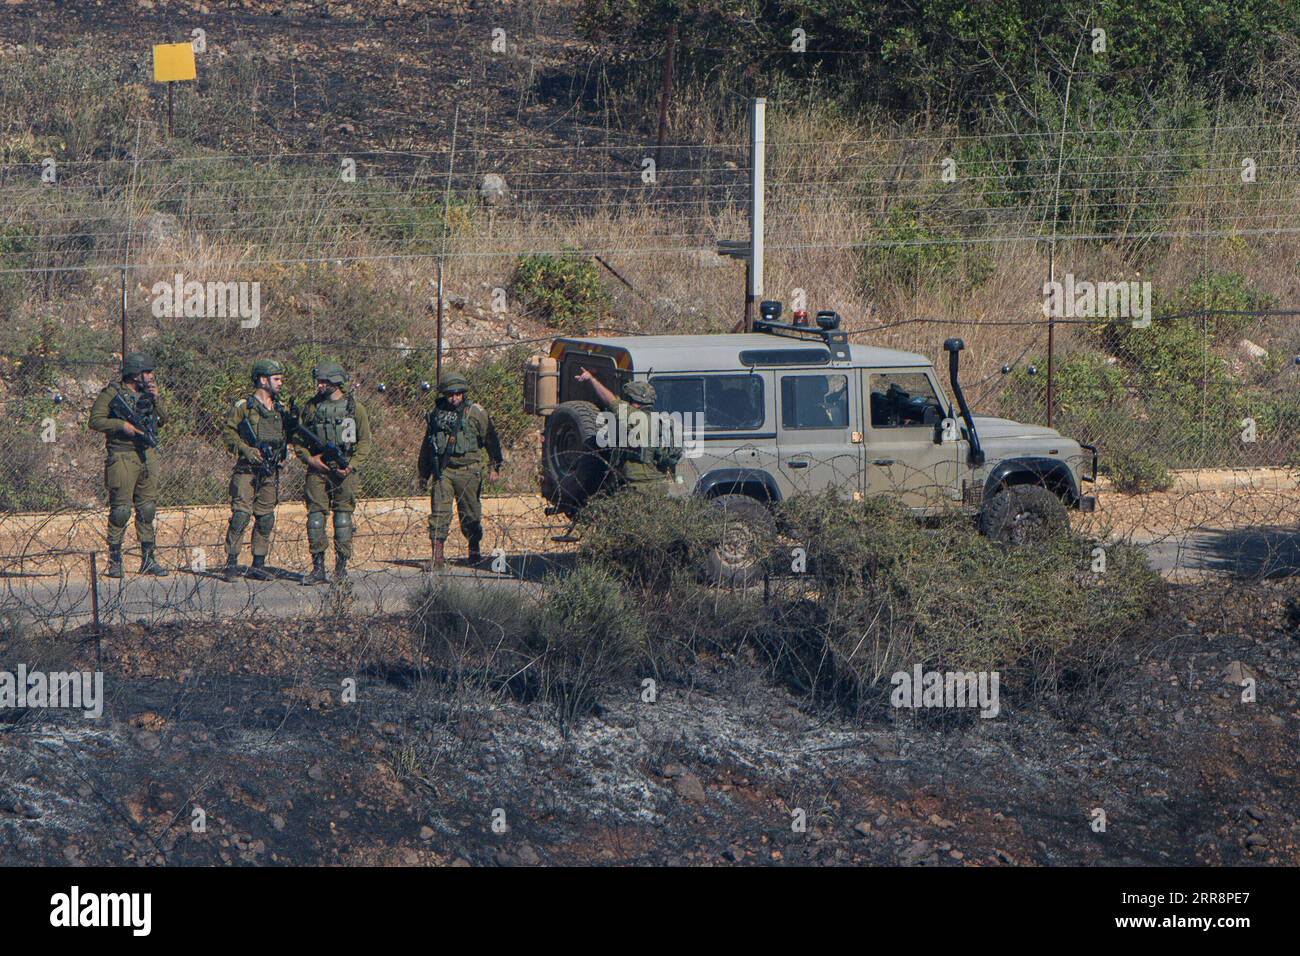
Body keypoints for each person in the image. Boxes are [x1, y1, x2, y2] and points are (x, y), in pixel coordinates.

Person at [88, 351, 169, 578]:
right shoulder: (113, 394)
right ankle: (115, 560)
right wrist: (121, 425)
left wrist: (156, 400)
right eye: (147, 372)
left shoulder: (148, 395)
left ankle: (148, 559)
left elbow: (163, 420)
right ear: (135, 374)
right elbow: (95, 420)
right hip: (122, 456)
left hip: (146, 455)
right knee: (121, 510)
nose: (151, 376)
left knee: (147, 509)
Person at [291, 362, 371, 584]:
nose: (319, 385)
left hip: (345, 470)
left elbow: (364, 442)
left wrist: (351, 464)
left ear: (335, 381)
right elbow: (298, 437)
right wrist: (309, 459)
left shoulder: (355, 408)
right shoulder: (312, 408)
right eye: (319, 381)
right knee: (316, 517)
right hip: (318, 469)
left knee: (343, 518)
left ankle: (341, 569)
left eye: (324, 382)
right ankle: (318, 568)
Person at [418, 371, 503, 568]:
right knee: (439, 513)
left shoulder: (475, 413)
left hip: (468, 470)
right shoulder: (436, 414)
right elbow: (427, 446)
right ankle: (437, 557)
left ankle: (474, 550)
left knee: (470, 513)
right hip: (444, 471)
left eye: (458, 394)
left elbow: (491, 439)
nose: (454, 398)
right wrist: (424, 473)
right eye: (450, 394)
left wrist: (494, 466)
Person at [220, 359, 288, 582]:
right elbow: (229, 433)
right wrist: (246, 450)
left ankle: (258, 564)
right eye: (276, 379)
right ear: (262, 380)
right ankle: (231, 563)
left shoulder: (280, 407)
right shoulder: (244, 407)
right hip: (247, 470)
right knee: (241, 515)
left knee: (266, 518)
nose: (280, 383)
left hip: (270, 471)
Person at [574, 368, 677, 493]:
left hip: (638, 488)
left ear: (636, 403)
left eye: (628, 400)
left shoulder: (637, 418)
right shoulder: (660, 421)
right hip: (659, 486)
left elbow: (611, 401)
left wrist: (592, 380)